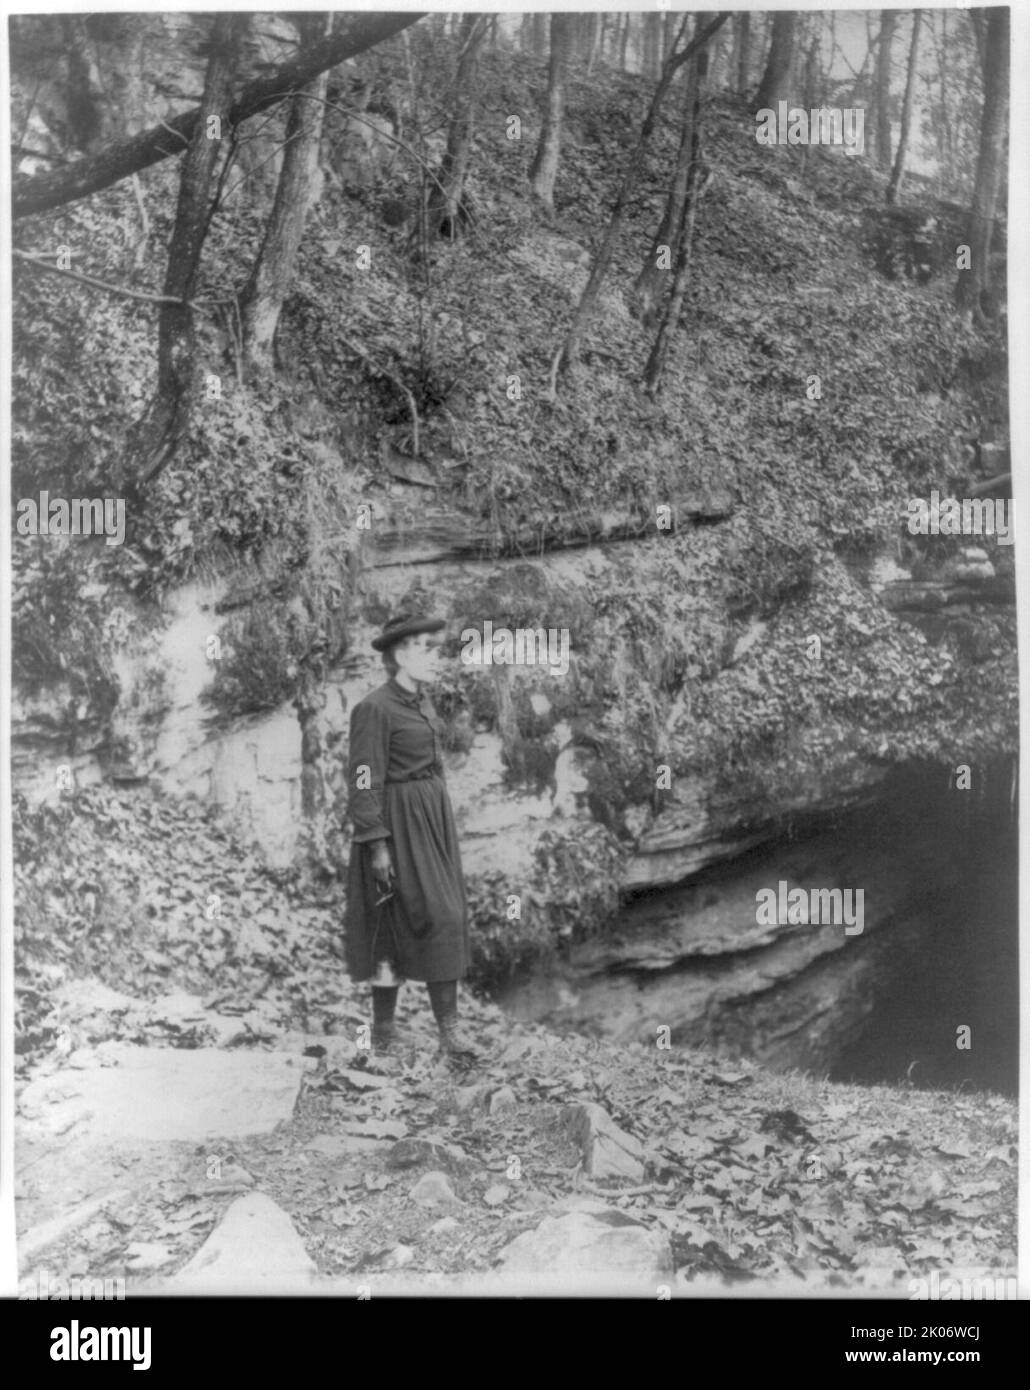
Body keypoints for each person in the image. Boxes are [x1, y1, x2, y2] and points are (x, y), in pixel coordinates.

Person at [344, 614, 480, 1065]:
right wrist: (376, 843)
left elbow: (433, 763)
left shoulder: (420, 703)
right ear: (400, 655)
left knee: (449, 913)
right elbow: (364, 780)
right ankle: (387, 1030)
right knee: (398, 924)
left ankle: (448, 1033)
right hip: (394, 825)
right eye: (425, 647)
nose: (434, 656)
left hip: (429, 823)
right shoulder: (374, 708)